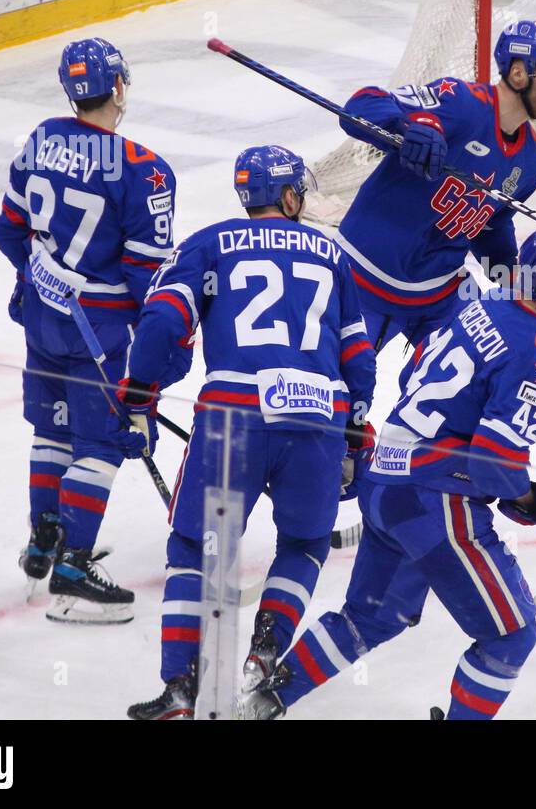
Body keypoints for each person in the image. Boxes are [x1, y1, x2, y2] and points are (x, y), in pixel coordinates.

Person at [237, 227, 536, 720]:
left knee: (371, 616)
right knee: (511, 634)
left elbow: (414, 378)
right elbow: (494, 463)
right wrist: (527, 497)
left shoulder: (479, 307)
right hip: (436, 503)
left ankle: (263, 700)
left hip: (386, 482)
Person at [122, 146, 377, 720]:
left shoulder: (208, 243)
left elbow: (162, 321)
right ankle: (265, 652)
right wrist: (355, 430)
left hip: (232, 420)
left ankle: (181, 690)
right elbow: (359, 356)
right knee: (305, 543)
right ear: (290, 196)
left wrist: (140, 392)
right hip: (317, 421)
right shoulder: (333, 255)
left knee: (194, 546)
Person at [0, 37, 176, 623]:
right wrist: (165, 354)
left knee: (53, 431)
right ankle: (73, 569)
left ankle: (44, 540)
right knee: (98, 445)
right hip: (101, 332)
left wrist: (41, 275)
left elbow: (8, 231)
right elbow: (147, 280)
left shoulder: (42, 139)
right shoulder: (145, 171)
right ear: (118, 86)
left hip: (43, 319)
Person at [334, 19, 536, 352]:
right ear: (518, 74)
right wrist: (407, 126)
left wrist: (514, 278)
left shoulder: (532, 160)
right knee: (337, 393)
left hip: (441, 292)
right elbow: (359, 107)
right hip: (363, 278)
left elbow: (490, 228)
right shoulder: (460, 102)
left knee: (498, 360)